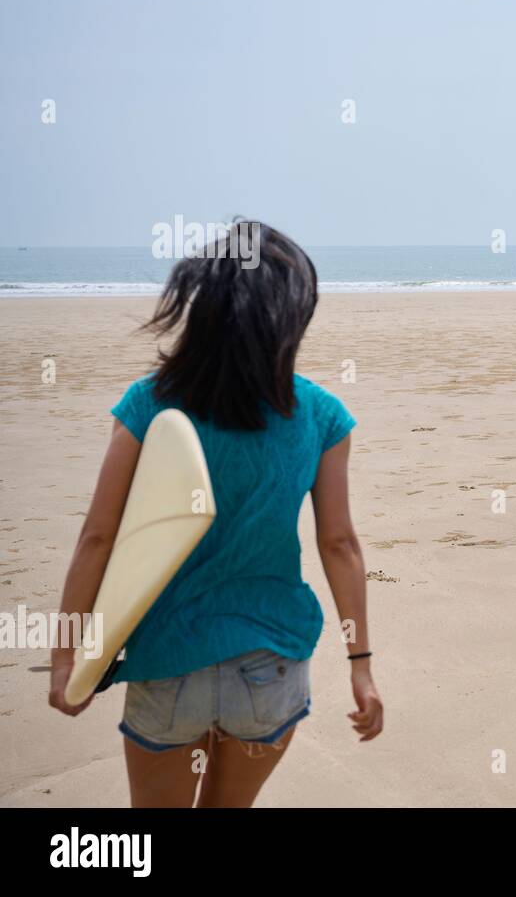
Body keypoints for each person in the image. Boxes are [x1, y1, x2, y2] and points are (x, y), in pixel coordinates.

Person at [48, 221, 383, 807]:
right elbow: (340, 545)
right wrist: (361, 665)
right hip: (272, 665)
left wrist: (65, 657)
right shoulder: (323, 416)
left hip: (169, 659)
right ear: (291, 316)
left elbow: (97, 539)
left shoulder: (150, 403)